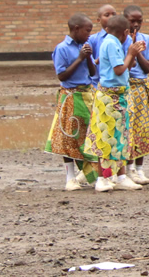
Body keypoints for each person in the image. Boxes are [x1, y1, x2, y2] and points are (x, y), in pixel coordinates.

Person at [84, 15, 145, 192]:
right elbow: (119, 70)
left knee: (120, 135)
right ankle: (102, 178)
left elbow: (127, 66)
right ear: (125, 32)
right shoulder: (110, 43)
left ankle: (120, 176)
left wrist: (133, 52)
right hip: (109, 97)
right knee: (105, 136)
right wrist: (131, 53)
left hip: (119, 95)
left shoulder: (114, 42)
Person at [44, 13, 98, 191]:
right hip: (70, 95)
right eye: (87, 31)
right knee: (69, 136)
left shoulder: (85, 46)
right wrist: (80, 58)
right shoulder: (62, 48)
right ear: (76, 29)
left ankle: (89, 173)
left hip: (87, 94)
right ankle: (70, 178)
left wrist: (88, 57)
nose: (89, 34)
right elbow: (62, 75)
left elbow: (92, 73)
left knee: (88, 135)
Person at [122, 5, 149, 185]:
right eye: (132, 21)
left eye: (139, 21)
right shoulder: (118, 40)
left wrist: (138, 51)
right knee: (128, 128)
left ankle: (140, 169)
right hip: (126, 87)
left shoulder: (146, 39)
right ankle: (128, 169)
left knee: (142, 128)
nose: (136, 24)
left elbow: (148, 68)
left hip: (141, 88)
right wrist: (130, 48)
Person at [86, 4, 117, 86]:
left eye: (114, 14)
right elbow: (89, 62)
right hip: (97, 84)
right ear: (98, 20)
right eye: (107, 15)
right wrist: (97, 61)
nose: (111, 17)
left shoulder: (124, 38)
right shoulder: (92, 39)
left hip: (118, 84)